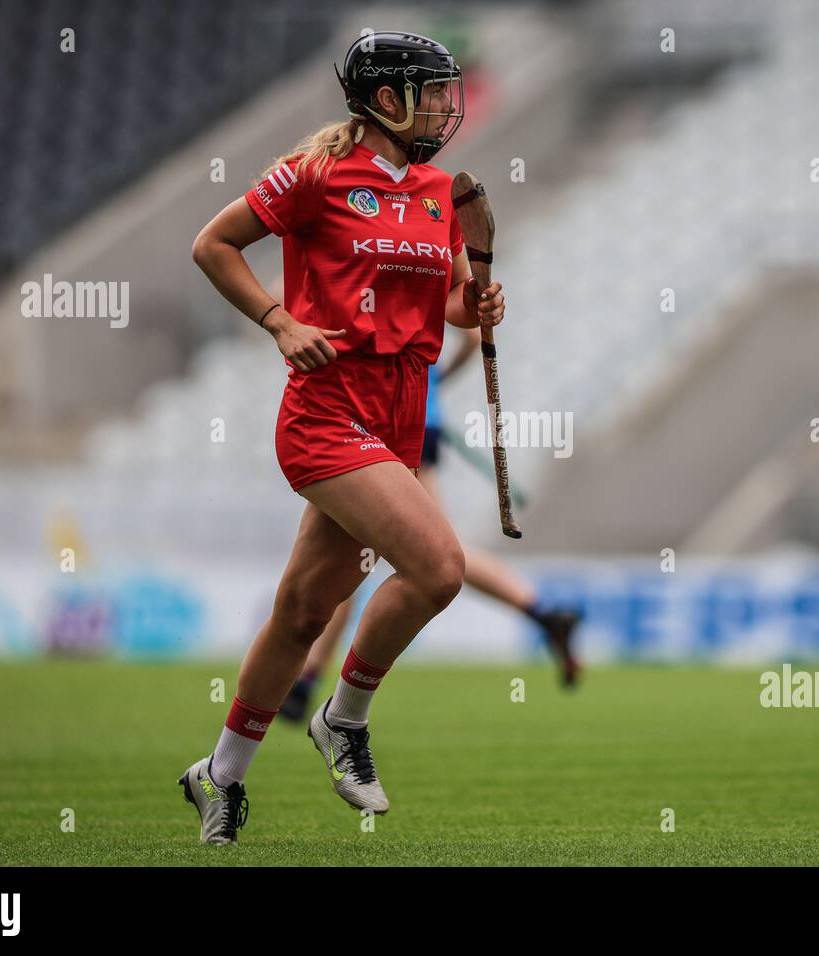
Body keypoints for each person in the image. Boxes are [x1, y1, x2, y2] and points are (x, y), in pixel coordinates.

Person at [180, 31, 501, 844]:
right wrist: (279, 320)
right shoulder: (313, 176)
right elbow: (212, 246)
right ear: (384, 100)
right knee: (438, 569)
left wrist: (480, 308)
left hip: (397, 415)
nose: (441, 105)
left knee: (300, 613)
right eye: (427, 91)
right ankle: (345, 718)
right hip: (327, 414)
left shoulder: (435, 189)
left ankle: (218, 776)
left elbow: (455, 301)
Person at [278, 329, 582, 725]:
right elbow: (473, 336)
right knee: (400, 550)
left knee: (407, 553)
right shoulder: (422, 273)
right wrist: (435, 381)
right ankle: (541, 610)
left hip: (380, 422)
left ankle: (308, 680)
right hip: (412, 420)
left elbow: (285, 295)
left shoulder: (382, 272)